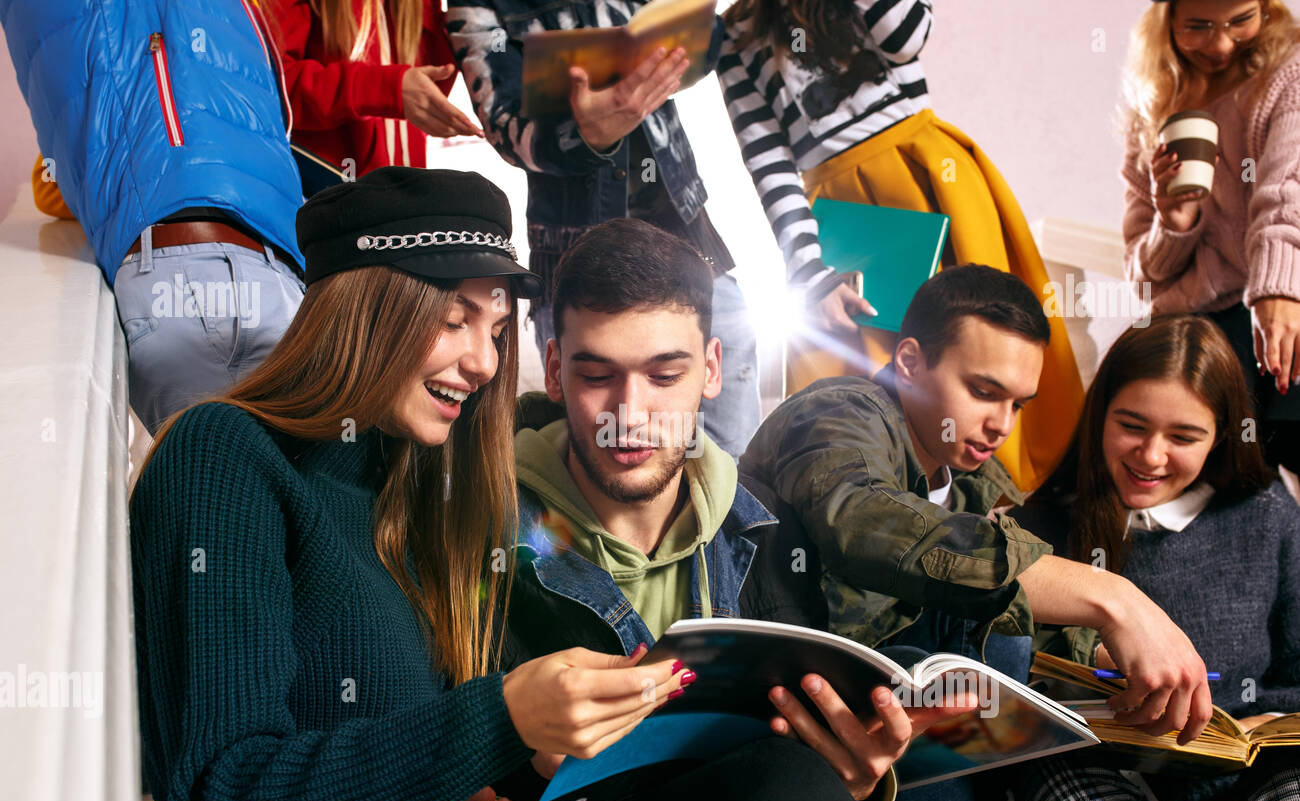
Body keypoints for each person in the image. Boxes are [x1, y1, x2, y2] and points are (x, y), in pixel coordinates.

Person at [133, 168, 692, 801]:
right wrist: (504, 714)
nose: (484, 362)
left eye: (495, 328)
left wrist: (521, 781)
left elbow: (409, 782)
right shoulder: (226, 455)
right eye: (454, 320)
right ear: (367, 308)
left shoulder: (427, 493)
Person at [499, 217, 975, 801]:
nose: (629, 414)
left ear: (712, 370)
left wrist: (859, 797)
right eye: (597, 376)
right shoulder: (491, 535)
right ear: (554, 371)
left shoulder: (770, 539)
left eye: (665, 376)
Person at [740, 264, 1216, 801]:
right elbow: (861, 522)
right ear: (910, 360)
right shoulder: (839, 412)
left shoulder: (975, 481)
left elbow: (1012, 604)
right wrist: (1114, 599)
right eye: (984, 392)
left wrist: (1112, 662)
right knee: (927, 676)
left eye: (1018, 404)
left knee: (987, 661)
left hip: (905, 725)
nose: (1001, 425)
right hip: (788, 706)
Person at [718, 0, 1083, 492]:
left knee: (980, 349)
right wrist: (811, 274)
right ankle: (887, 514)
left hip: (927, 178)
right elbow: (770, 166)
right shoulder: (733, 33)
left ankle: (996, 501)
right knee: (859, 365)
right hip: (842, 220)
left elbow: (906, 36)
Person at [1010, 315, 1300, 801]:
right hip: (1091, 772)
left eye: (1184, 437)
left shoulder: (1267, 513)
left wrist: (1260, 723)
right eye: (1132, 426)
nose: (1150, 456)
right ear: (1101, 414)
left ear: (1220, 437)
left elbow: (1297, 673)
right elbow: (1012, 681)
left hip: (1248, 778)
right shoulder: (1035, 530)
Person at [445, 0, 762, 459]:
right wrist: (588, 134)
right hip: (577, 250)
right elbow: (508, 129)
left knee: (729, 412)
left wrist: (685, 36)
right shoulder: (478, 7)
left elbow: (708, 42)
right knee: (605, 451)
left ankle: (732, 527)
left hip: (683, 227)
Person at [0, 0, 307, 434]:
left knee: (212, 493)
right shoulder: (232, 19)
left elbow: (57, 185)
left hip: (196, 281)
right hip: (271, 280)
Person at [1120, 0, 1300, 474]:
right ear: (1167, 19)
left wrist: (1278, 288)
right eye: (1197, 26)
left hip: (1277, 299)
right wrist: (1174, 222)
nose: (1220, 44)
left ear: (1267, 8)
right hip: (1199, 322)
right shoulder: (1151, 109)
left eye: (1241, 21)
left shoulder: (1289, 75)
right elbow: (1141, 272)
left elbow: (1287, 191)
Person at [268, 0, 483, 191]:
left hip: (401, 201)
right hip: (325, 200)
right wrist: (385, 89)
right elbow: (269, 85)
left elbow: (430, 82)